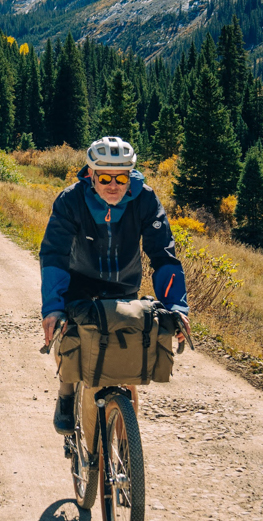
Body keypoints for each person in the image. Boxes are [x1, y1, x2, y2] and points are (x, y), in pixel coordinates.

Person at [39, 135, 188, 433]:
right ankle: (66, 393)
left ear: (130, 174)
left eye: (121, 177)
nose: (113, 185)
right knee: (70, 338)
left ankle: (123, 448)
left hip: (124, 287)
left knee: (128, 360)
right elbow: (54, 255)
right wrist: (53, 308)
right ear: (90, 173)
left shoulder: (145, 199)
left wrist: (176, 307)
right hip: (80, 286)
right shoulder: (71, 201)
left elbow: (164, 255)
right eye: (104, 177)